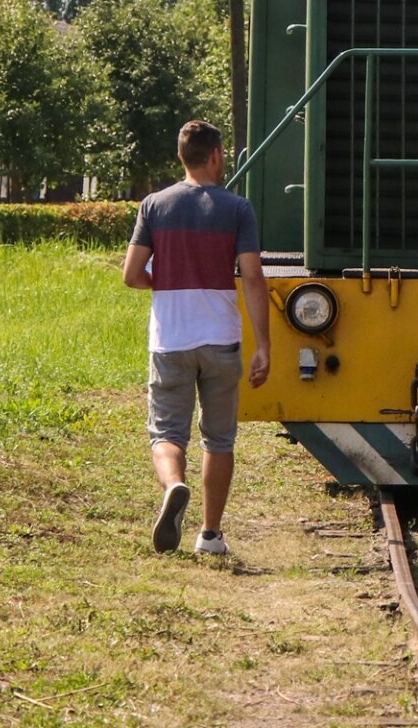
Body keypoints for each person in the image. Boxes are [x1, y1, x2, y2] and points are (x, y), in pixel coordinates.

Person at [123, 121, 271, 556]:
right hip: (220, 339)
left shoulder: (154, 205)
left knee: (167, 433)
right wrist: (264, 345)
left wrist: (164, 281)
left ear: (181, 157)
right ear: (217, 156)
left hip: (171, 338)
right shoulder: (237, 208)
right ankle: (210, 535)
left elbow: (131, 274)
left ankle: (174, 484)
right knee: (219, 439)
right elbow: (253, 277)